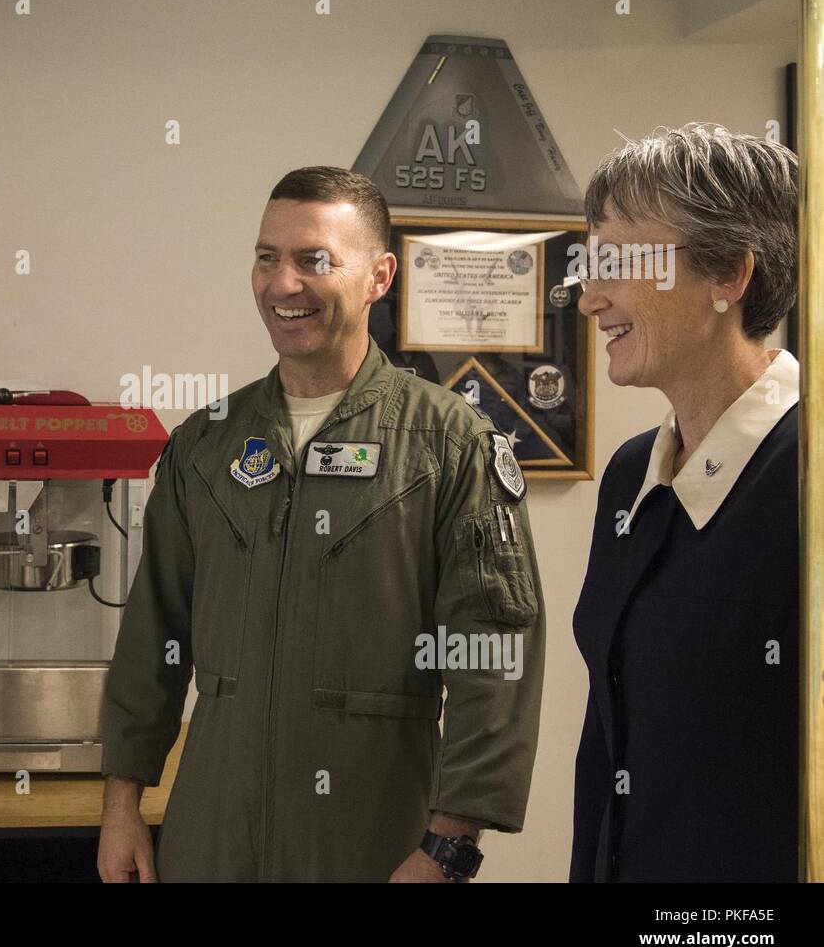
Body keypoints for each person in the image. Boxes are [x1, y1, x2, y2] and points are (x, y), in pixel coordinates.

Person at [97, 166, 546, 882]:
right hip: (212, 837)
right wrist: (122, 805)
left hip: (373, 842)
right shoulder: (205, 446)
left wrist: (448, 846)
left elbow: (491, 658)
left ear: (378, 276)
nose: (283, 284)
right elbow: (154, 636)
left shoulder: (448, 444)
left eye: (314, 260)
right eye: (267, 257)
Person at [570, 124, 800, 882]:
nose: (589, 296)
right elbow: (609, 746)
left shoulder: (811, 477)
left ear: (729, 273)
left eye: (618, 263)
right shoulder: (634, 473)